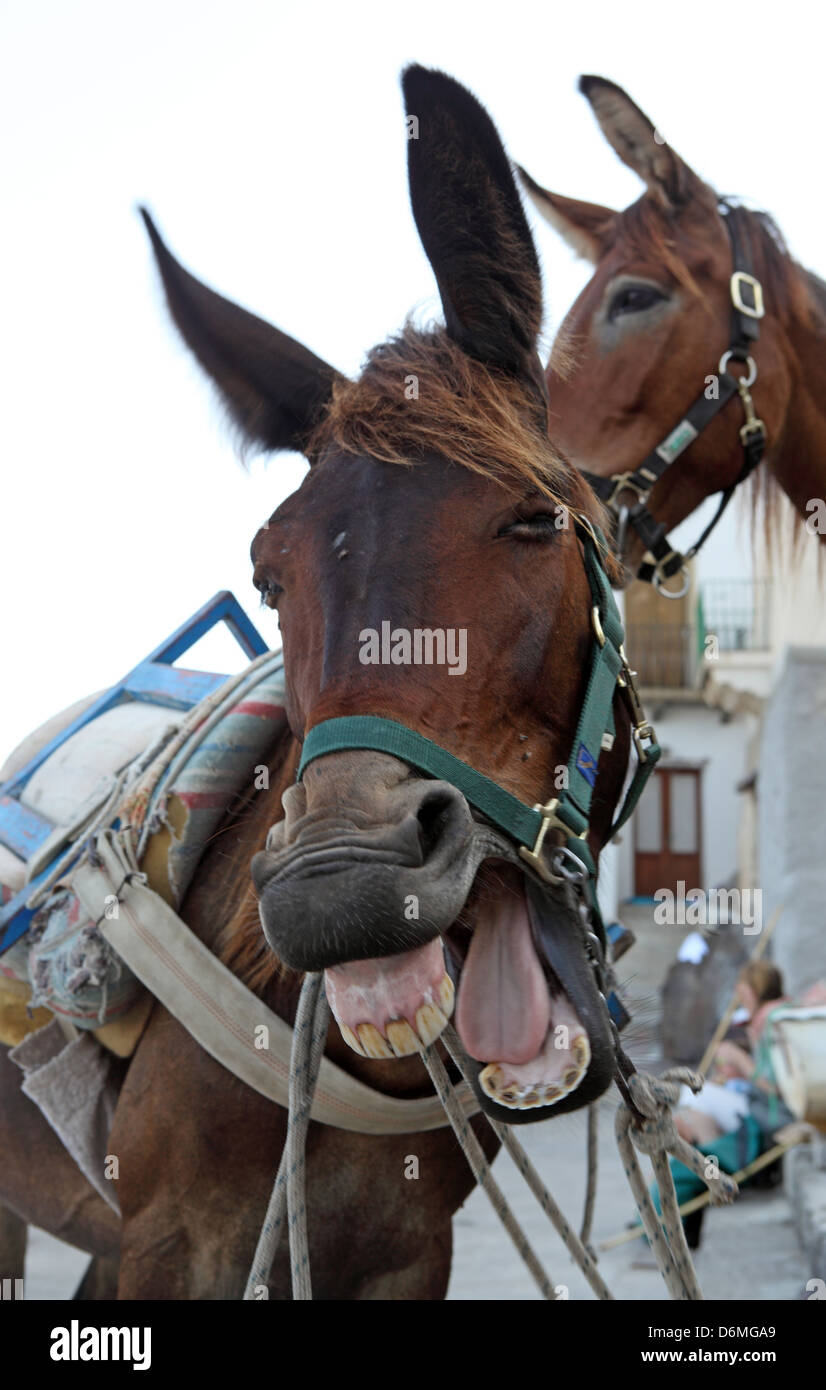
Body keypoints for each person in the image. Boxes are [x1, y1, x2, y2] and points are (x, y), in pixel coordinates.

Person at [640, 961, 795, 1253]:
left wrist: (739, 1060)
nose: (738, 993)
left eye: (742, 988)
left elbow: (778, 1088)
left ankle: (706, 1165)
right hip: (755, 1106)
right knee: (693, 1104)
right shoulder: (763, 1020)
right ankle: (698, 1163)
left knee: (692, 1097)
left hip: (770, 1114)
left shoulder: (773, 1019)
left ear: (754, 989)